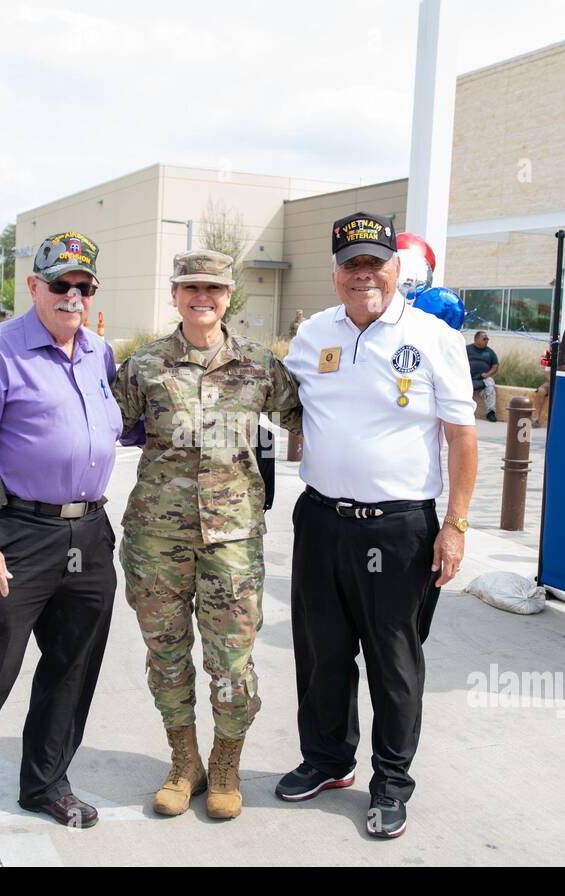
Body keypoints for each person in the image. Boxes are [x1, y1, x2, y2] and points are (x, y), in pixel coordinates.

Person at [278, 212, 478, 839]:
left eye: (375, 264)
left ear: (397, 268)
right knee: (320, 651)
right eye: (350, 265)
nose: (363, 275)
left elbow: (462, 434)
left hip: (398, 530)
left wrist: (457, 524)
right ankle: (328, 759)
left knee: (393, 659)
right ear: (335, 272)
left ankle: (390, 781)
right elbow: (276, 404)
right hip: (320, 519)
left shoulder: (433, 337)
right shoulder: (312, 333)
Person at [0, 231, 121, 867]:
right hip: (17, 534)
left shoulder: (101, 353)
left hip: (88, 534)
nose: (72, 295)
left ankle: (45, 784)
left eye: (83, 286)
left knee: (71, 670)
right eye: (60, 284)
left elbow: (128, 423)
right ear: (33, 286)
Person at [113, 250, 302, 820]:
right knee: (166, 656)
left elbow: (312, 418)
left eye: (214, 289)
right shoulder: (142, 366)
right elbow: (97, 429)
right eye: (191, 287)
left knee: (232, 662)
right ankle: (183, 759)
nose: (203, 297)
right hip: (155, 539)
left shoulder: (260, 366)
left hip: (233, 540)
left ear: (229, 298)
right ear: (174, 294)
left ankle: (224, 763)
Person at [467, 331, 500, 422]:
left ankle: (491, 413)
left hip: (483, 378)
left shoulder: (489, 352)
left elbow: (495, 365)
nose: (487, 341)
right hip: (467, 377)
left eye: (487, 339)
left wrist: (488, 374)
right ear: (476, 339)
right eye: (484, 339)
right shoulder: (467, 349)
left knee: (490, 383)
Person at [532, 345, 551, 427]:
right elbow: (547, 374)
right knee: (541, 390)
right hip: (552, 381)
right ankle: (535, 419)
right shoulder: (548, 354)